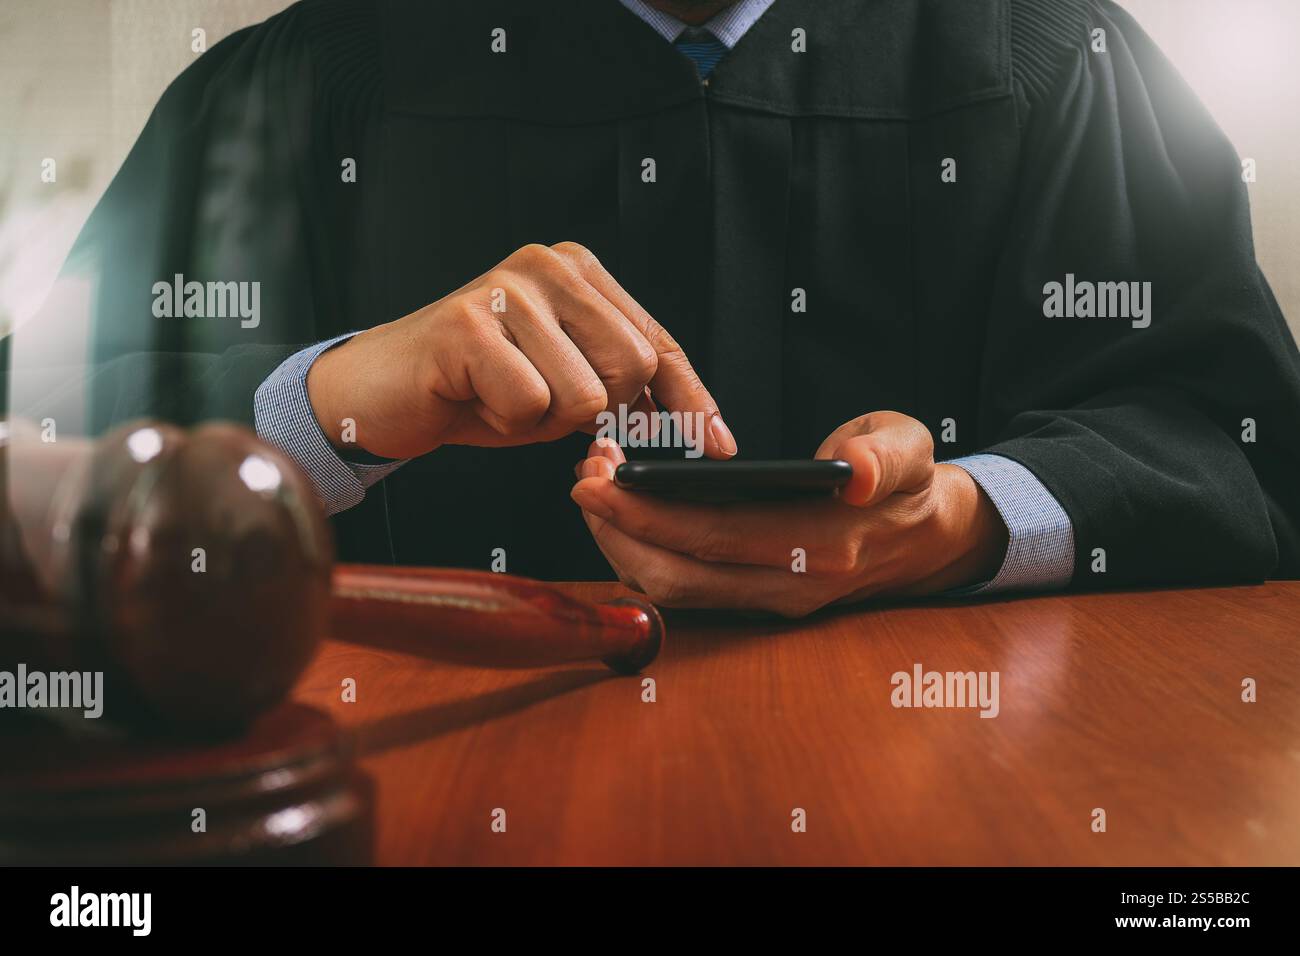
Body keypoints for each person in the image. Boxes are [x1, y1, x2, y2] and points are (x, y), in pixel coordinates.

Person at [4, 0, 1298, 616]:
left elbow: (1225, 433)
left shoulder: (1048, 58)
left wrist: (959, 524)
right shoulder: (304, 82)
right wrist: (326, 400)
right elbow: (42, 423)